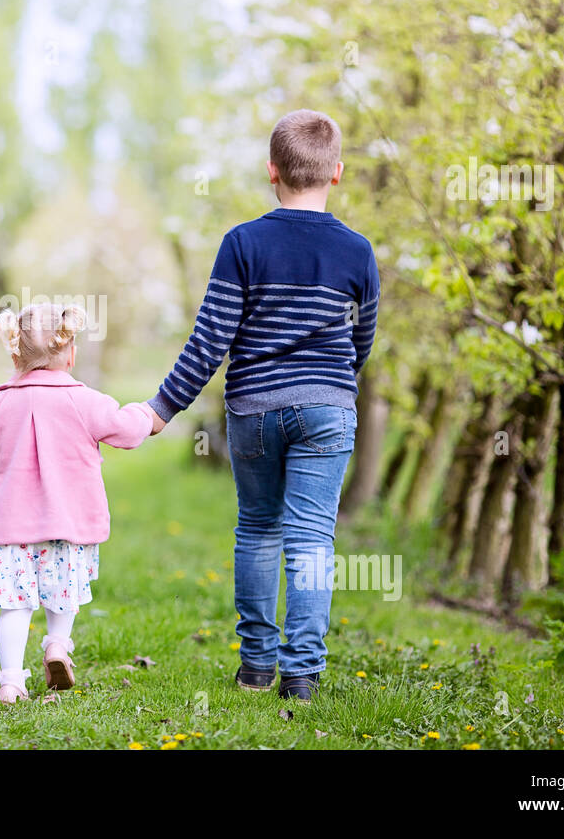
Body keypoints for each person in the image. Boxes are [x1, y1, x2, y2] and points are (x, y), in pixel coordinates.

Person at [144, 108, 380, 701]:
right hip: (327, 405)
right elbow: (363, 337)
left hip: (253, 407)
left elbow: (210, 340)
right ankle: (300, 675)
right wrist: (331, 388)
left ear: (271, 171)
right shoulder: (357, 252)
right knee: (312, 539)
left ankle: (255, 669)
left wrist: (159, 410)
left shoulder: (242, 243)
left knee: (256, 529)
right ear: (338, 173)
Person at [0, 301, 154, 704]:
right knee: (63, 591)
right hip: (69, 524)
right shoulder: (87, 402)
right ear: (71, 353)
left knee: (15, 605)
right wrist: (148, 414)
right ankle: (57, 647)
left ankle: (11, 682)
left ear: (16, 354)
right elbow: (128, 429)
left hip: (10, 527)